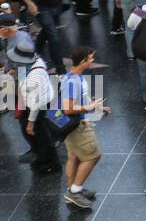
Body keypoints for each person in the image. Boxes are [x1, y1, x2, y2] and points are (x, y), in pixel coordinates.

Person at [6, 23, 59, 173]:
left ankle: (49, 163)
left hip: (39, 105)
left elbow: (36, 103)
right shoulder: (33, 63)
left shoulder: (33, 75)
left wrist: (30, 122)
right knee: (40, 134)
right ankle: (44, 158)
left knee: (40, 134)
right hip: (36, 100)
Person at [59, 45, 107, 210]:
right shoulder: (72, 82)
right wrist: (89, 107)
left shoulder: (75, 76)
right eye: (91, 58)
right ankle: (75, 191)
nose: (93, 61)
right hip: (77, 126)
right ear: (83, 61)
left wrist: (98, 106)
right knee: (93, 156)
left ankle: (72, 190)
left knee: (74, 157)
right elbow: (68, 108)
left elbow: (81, 99)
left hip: (72, 126)